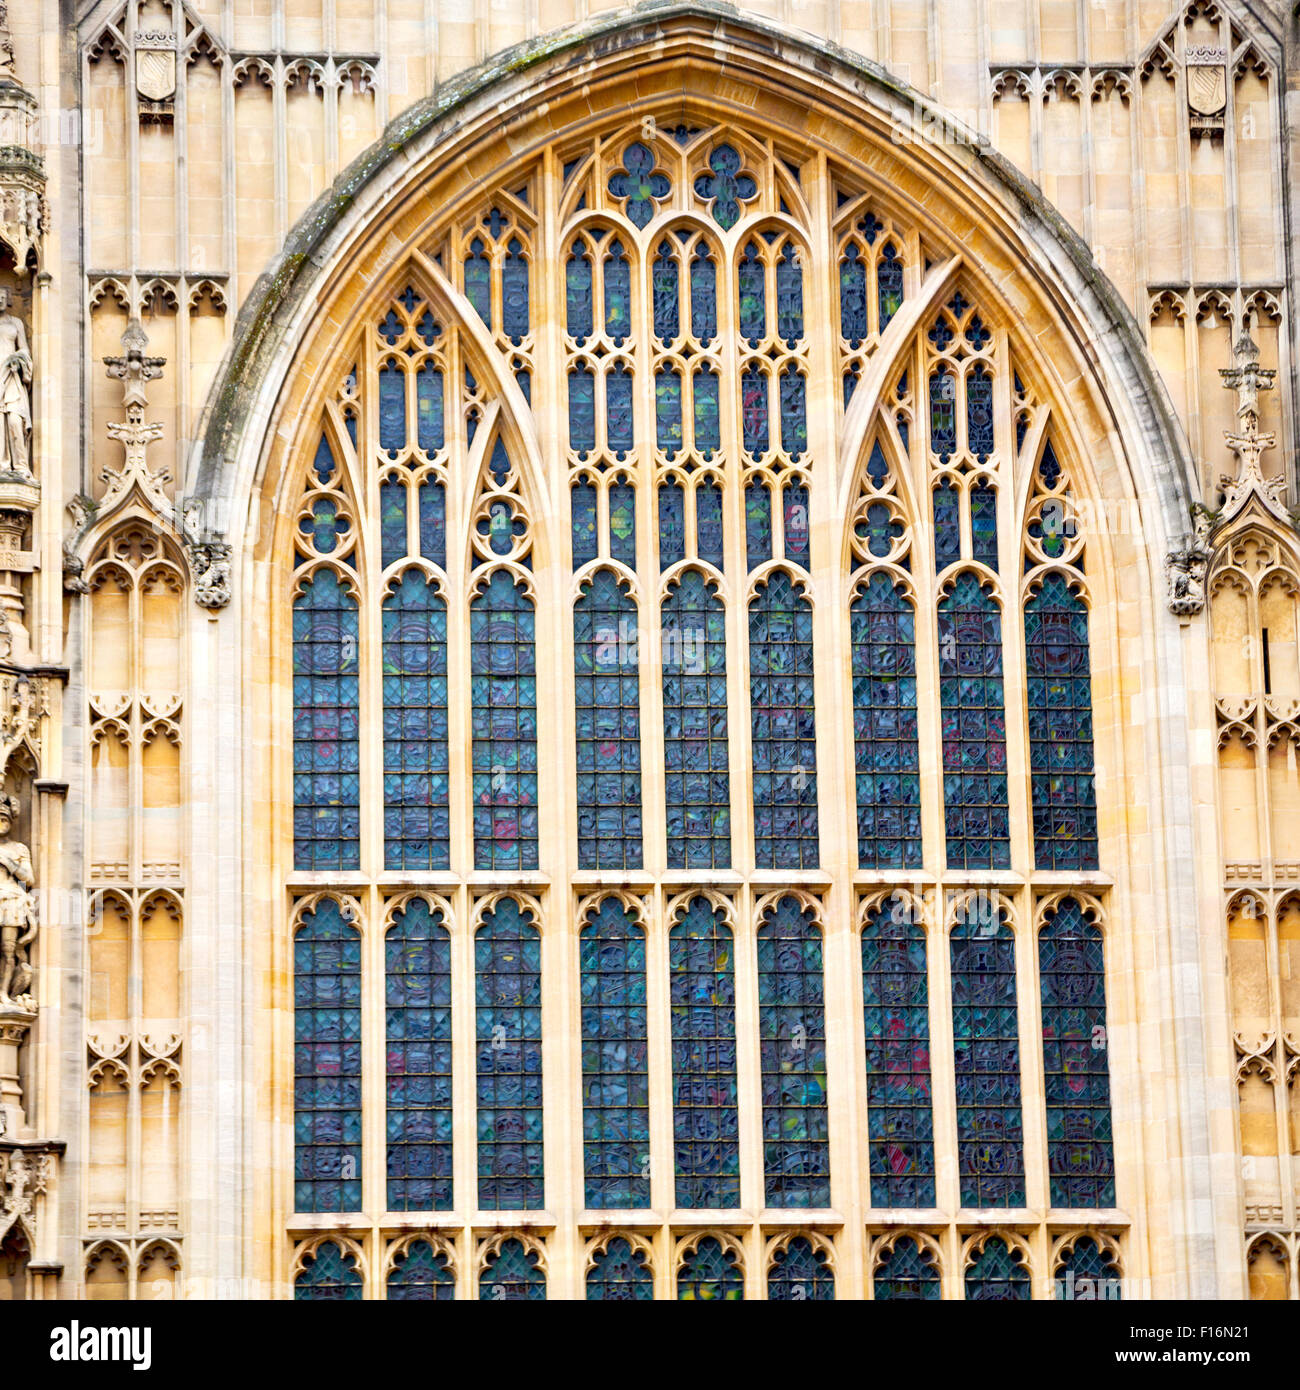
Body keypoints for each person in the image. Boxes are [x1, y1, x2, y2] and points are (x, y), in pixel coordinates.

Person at [0, 287, 32, 476]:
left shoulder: (16, 322)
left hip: (11, 375)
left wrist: (19, 360)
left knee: (14, 420)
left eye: (3, 297)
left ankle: (20, 467)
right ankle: (2, 466)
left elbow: (25, 350)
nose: (0, 300)